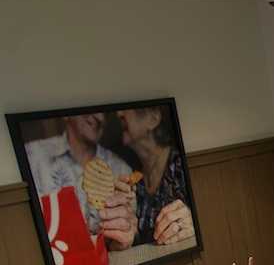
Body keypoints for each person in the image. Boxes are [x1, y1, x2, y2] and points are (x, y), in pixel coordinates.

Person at [24, 113, 137, 249]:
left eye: (102, 112)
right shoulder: (31, 157)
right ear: (66, 115)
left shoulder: (121, 170)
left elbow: (129, 230)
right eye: (92, 108)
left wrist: (123, 236)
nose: (100, 117)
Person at [116, 105, 193, 246]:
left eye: (125, 108)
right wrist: (127, 232)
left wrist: (192, 225)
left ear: (153, 119)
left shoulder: (183, 165)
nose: (119, 113)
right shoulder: (134, 182)